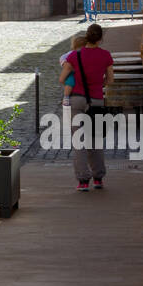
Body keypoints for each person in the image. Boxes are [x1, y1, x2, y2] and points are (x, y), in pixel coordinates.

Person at [56, 22, 114, 191]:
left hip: (76, 101)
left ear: (86, 36)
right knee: (95, 141)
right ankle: (98, 178)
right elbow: (110, 80)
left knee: (79, 141)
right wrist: (98, 84)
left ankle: (82, 180)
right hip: (96, 100)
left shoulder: (74, 56)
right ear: (101, 38)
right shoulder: (105, 55)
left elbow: (62, 78)